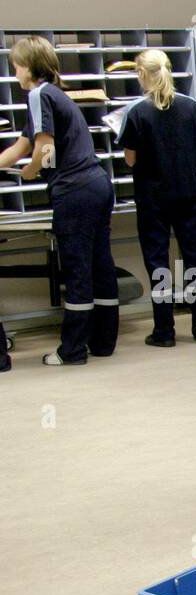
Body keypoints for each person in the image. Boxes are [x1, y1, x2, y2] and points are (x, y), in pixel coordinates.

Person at [0, 36, 119, 366]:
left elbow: (43, 149)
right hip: (97, 184)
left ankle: (73, 350)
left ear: (30, 67)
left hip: (75, 191)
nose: (15, 73)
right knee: (99, 264)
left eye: (17, 67)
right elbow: (23, 144)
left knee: (78, 268)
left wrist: (31, 172)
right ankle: (103, 342)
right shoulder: (55, 95)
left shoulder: (38, 94)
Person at [118, 49, 196, 347]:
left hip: (153, 200)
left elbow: (131, 160)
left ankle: (164, 330)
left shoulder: (136, 112)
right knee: (195, 258)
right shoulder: (190, 106)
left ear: (142, 74)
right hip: (187, 194)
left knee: (158, 262)